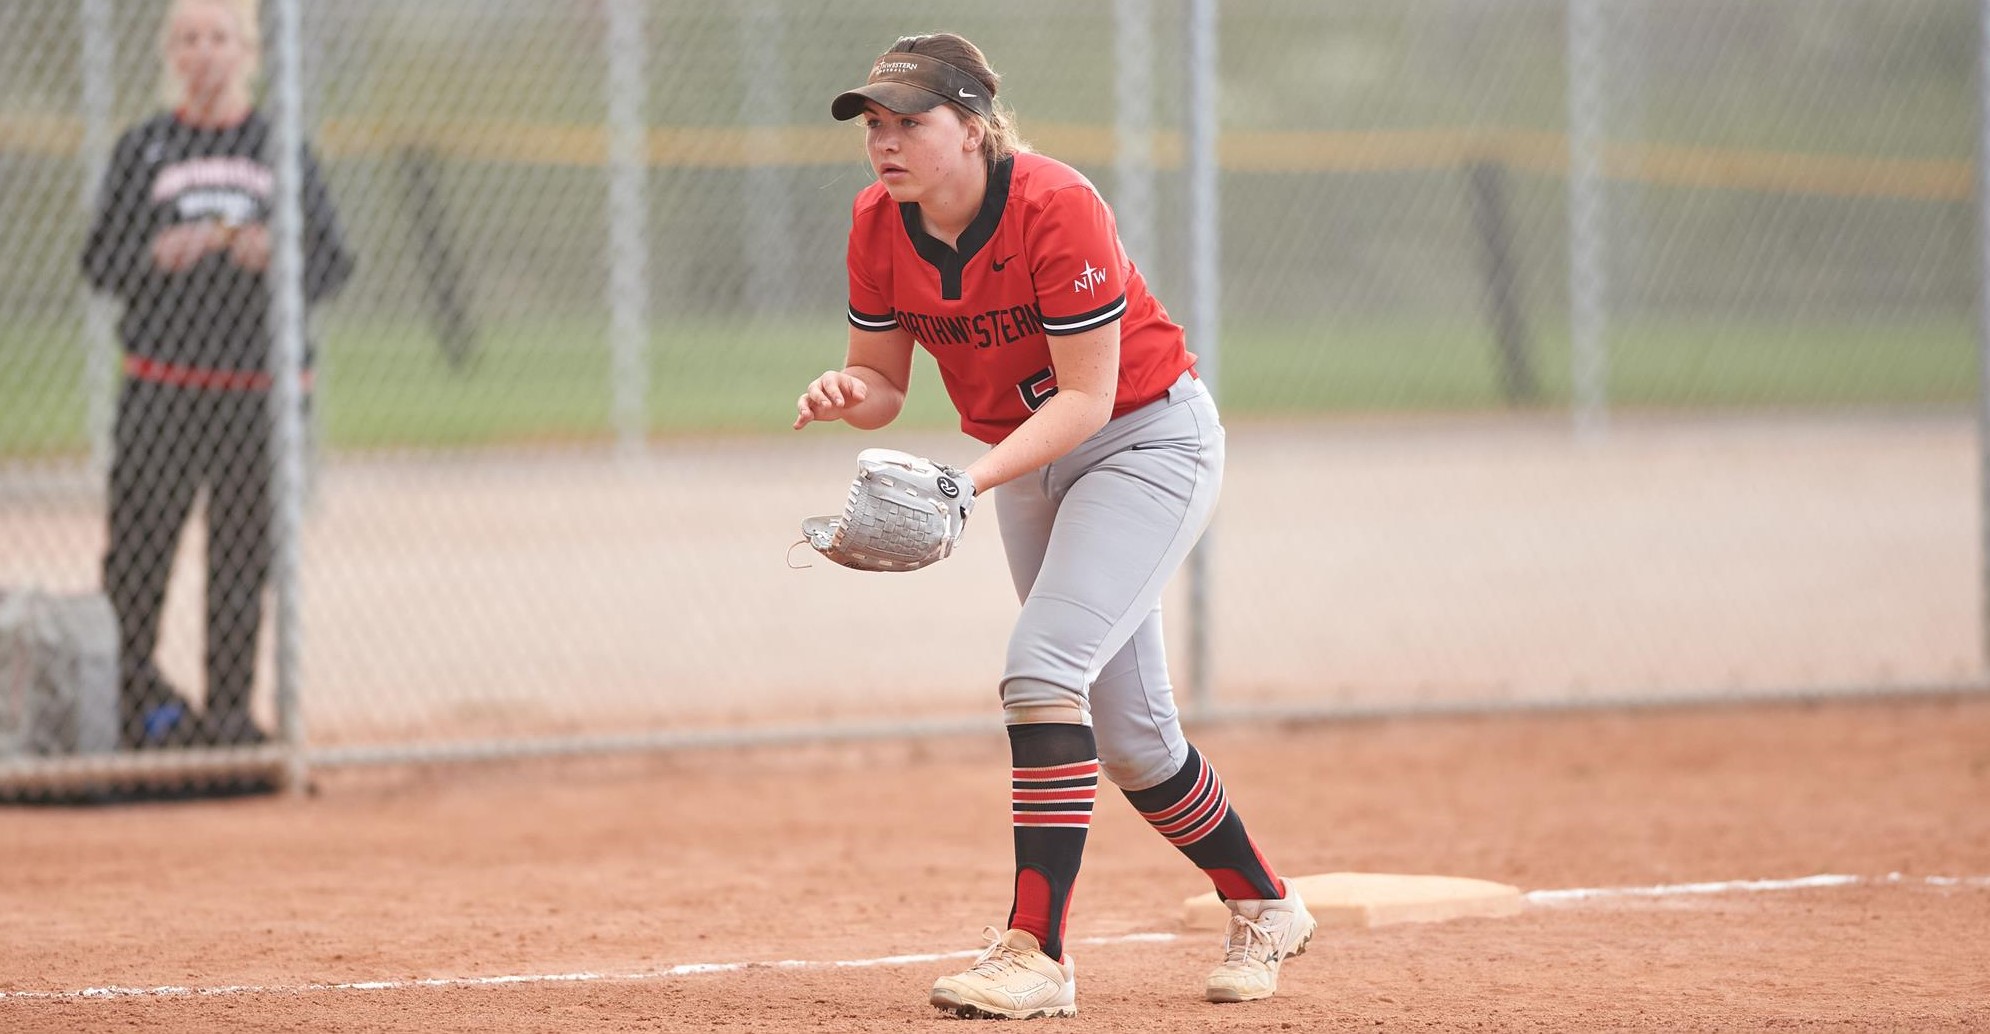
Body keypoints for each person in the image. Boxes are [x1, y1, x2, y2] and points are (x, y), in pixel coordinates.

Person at [795, 33, 1314, 1019]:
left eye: (910, 121)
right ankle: (1265, 904)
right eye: (874, 124)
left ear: (974, 128)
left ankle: (1037, 952)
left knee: (1040, 670)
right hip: (1026, 459)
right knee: (1129, 735)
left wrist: (968, 482)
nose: (885, 142)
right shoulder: (877, 222)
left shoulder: (1055, 206)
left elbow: (1087, 398)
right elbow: (884, 382)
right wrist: (844, 389)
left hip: (1141, 443)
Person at [80, 0, 354, 749]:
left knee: (241, 562)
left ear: (249, 54)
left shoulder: (279, 148)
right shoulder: (145, 149)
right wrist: (153, 256)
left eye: (221, 38)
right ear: (172, 52)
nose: (206, 53)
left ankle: (229, 719)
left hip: (256, 396)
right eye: (190, 39)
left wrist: (277, 254)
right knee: (135, 561)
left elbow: (334, 265)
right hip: (161, 389)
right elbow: (98, 263)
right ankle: (135, 712)